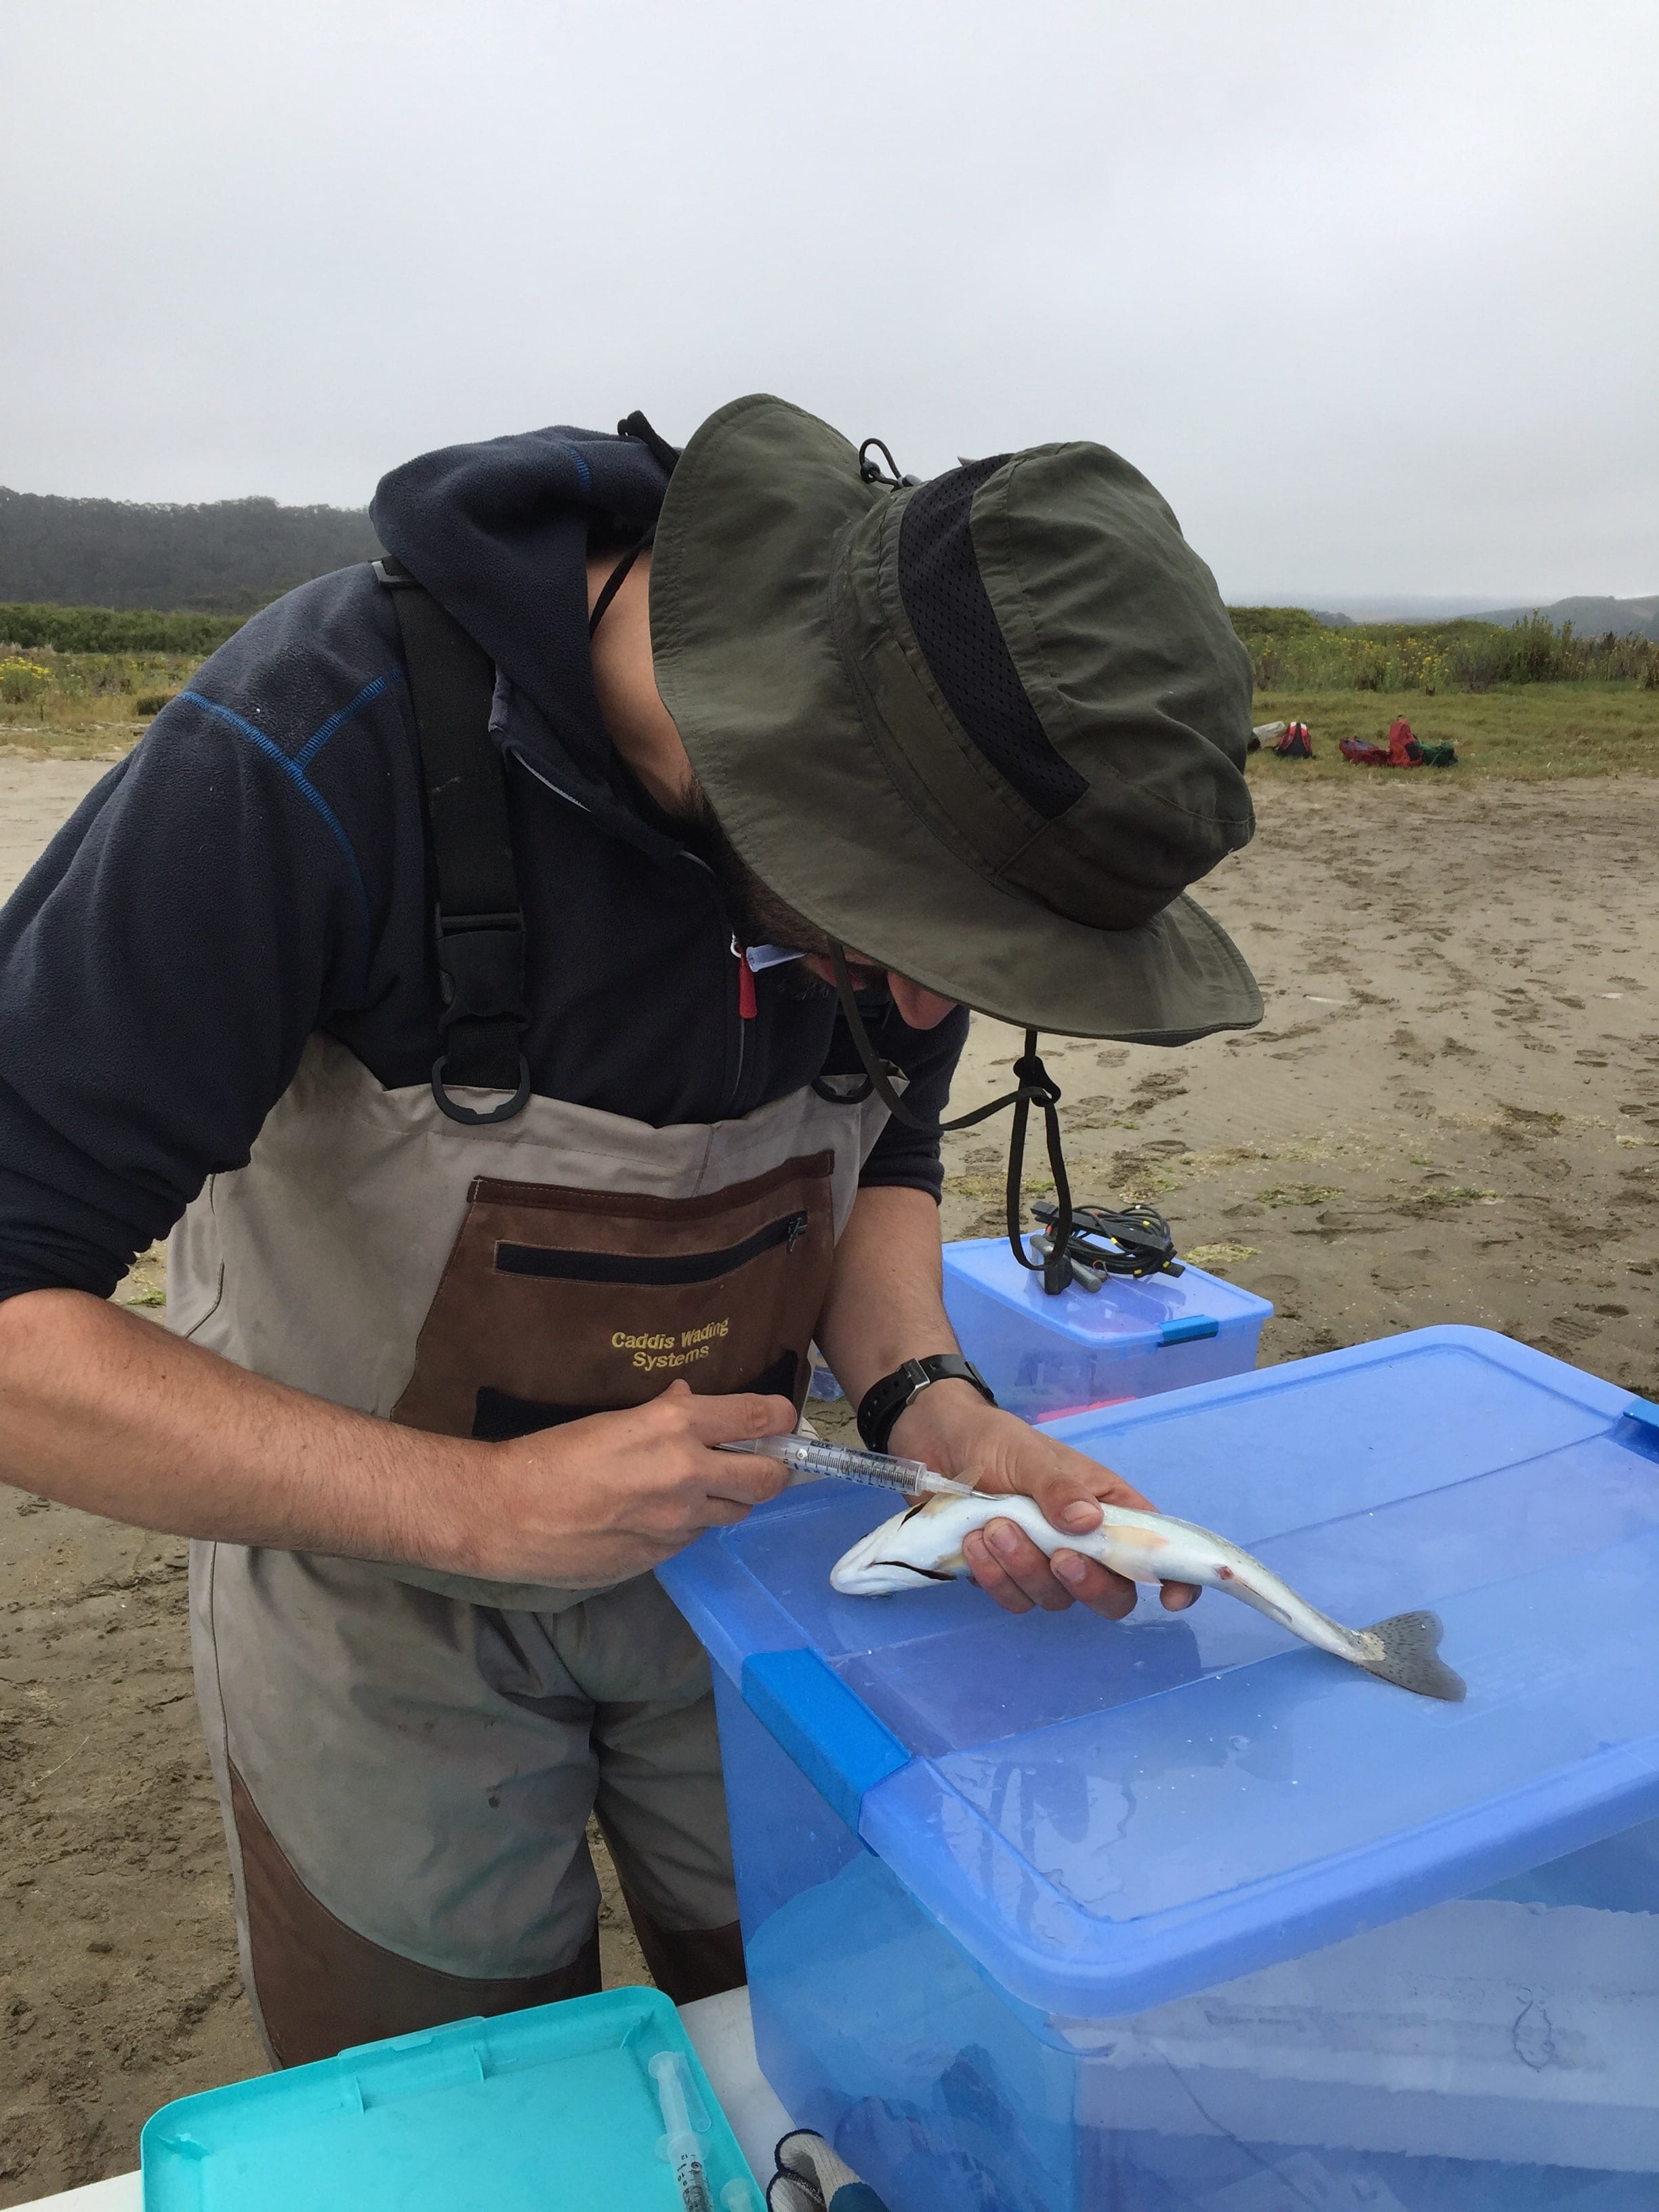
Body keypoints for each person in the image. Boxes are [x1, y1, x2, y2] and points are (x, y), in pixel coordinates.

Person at [0, 394, 1261, 2066]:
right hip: (374, 1602)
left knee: (821, 2028)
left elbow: (883, 1155)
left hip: (748, 1554)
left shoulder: (937, 836)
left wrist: (928, 1407)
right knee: (470, 2097)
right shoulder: (312, 750)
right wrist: (481, 1505)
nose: (934, 1000)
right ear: (799, 751)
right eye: (921, 936)